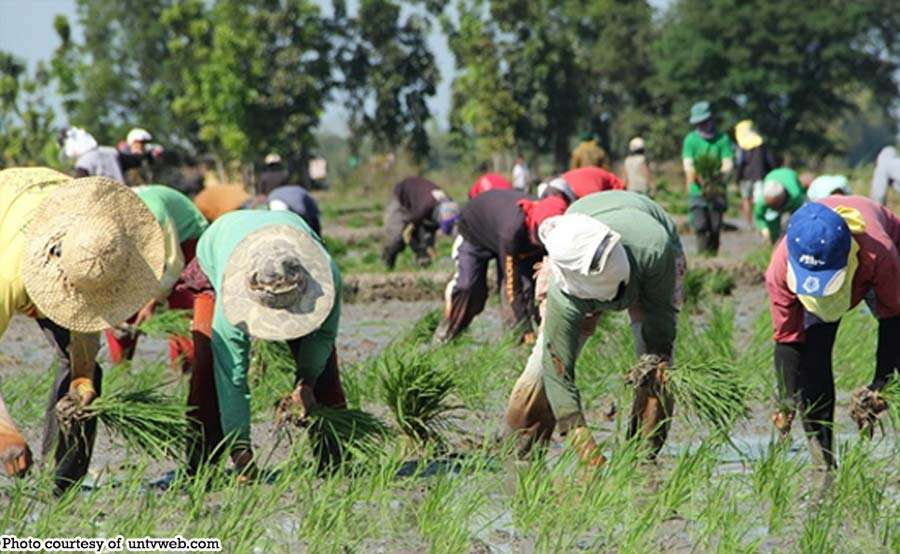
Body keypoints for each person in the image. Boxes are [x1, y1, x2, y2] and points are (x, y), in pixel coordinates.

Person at [0, 168, 164, 491]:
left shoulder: (99, 245)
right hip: (9, 218)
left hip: (52, 202)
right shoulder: (10, 278)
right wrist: (4, 430)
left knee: (86, 382)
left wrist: (82, 377)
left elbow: (85, 326)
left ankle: (61, 483)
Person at [504, 191, 685, 464]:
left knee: (656, 364)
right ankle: (519, 452)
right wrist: (589, 455)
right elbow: (557, 372)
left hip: (646, 253)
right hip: (579, 251)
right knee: (541, 368)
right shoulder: (564, 289)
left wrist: (654, 361)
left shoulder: (655, 249)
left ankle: (642, 456)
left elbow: (659, 325)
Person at [177, 209, 346, 476]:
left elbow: (324, 335)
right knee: (208, 372)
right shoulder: (229, 298)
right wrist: (241, 449)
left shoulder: (325, 275)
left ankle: (335, 463)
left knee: (324, 370)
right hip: (220, 247)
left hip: (288, 236)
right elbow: (232, 374)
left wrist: (307, 382)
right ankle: (201, 468)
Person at [766, 198, 899, 467]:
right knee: (812, 364)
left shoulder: (879, 252)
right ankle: (823, 462)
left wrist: (880, 386)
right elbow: (787, 339)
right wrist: (786, 400)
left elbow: (894, 319)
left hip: (877, 269)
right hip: (828, 270)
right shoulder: (780, 268)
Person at [433, 190, 569, 344]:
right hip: (475, 232)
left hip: (511, 236)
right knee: (469, 288)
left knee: (527, 289)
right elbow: (512, 286)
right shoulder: (512, 231)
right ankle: (446, 336)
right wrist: (526, 328)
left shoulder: (553, 221)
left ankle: (517, 344)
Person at [104, 185, 209, 371]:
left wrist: (152, 301)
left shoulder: (156, 215)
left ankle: (188, 368)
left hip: (187, 239)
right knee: (124, 309)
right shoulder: (105, 224)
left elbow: (175, 263)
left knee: (181, 308)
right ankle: (120, 372)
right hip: (144, 245)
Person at [681, 101, 734, 255]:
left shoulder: (722, 139)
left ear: (711, 120)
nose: (702, 126)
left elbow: (727, 163)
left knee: (715, 226)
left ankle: (713, 254)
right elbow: (688, 164)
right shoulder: (690, 140)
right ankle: (702, 255)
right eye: (699, 123)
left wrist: (717, 178)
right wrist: (698, 178)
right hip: (697, 189)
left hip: (717, 189)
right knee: (700, 225)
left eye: (705, 122)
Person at [382, 177, 458, 269]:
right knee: (396, 237)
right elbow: (407, 233)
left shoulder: (449, 204)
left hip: (422, 205)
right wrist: (413, 241)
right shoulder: (424, 209)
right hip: (402, 199)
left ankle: (423, 264)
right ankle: (387, 264)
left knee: (427, 239)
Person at [734, 120, 775, 225]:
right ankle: (760, 223)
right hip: (760, 176)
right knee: (759, 200)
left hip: (745, 177)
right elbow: (769, 160)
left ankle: (749, 223)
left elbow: (740, 163)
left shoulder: (742, 145)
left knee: (746, 199)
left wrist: (737, 178)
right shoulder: (760, 142)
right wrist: (772, 173)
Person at [754, 168, 806, 243]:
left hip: (790, 176)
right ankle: (773, 243)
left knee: (796, 223)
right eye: (771, 206)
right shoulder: (762, 201)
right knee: (772, 225)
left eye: (776, 205)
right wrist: (764, 229)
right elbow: (758, 216)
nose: (775, 208)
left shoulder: (796, 195)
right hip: (771, 175)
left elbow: (800, 214)